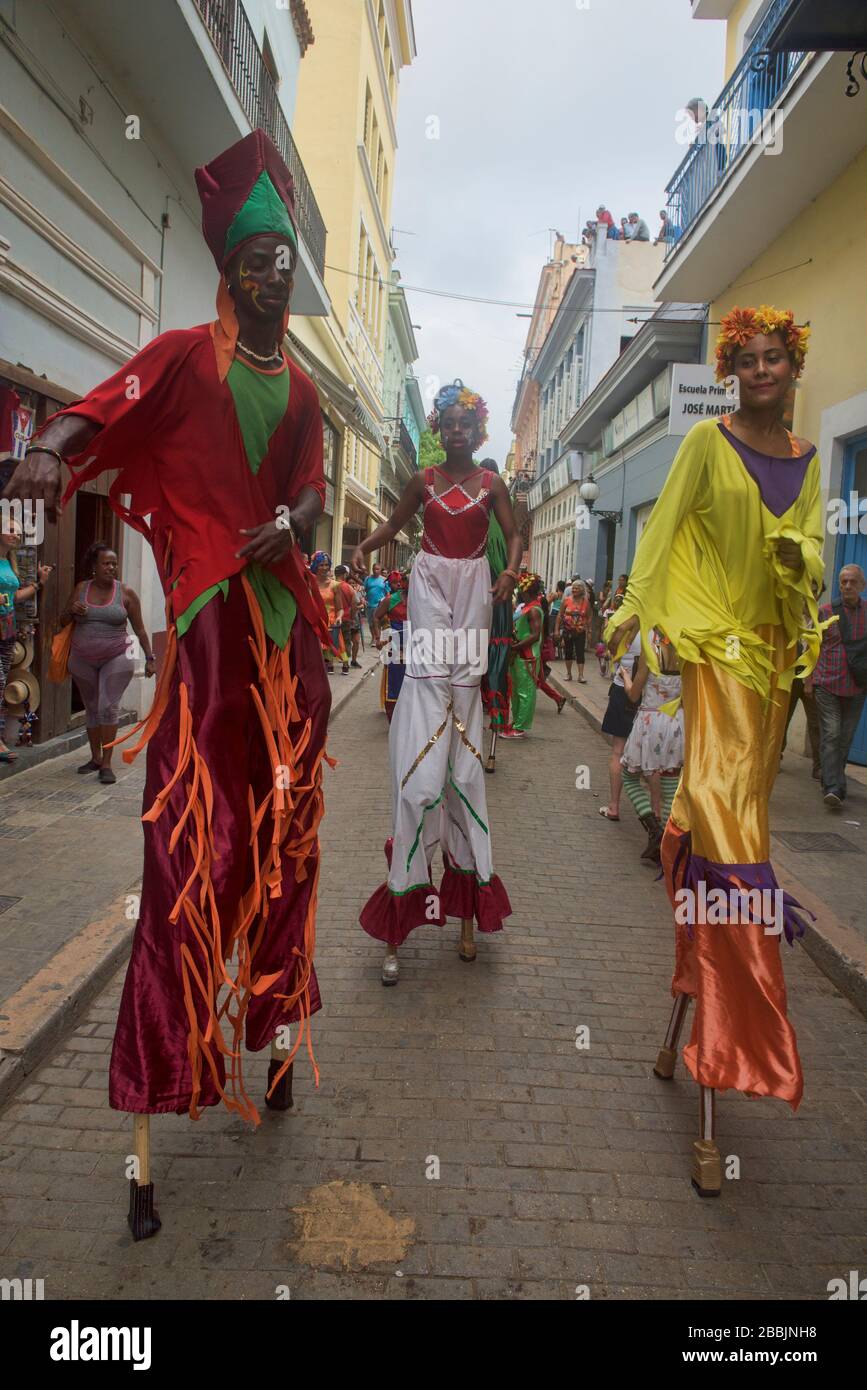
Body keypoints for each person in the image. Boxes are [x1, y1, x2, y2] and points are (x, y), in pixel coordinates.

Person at [2, 130, 333, 1179]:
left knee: (287, 851)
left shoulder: (310, 390)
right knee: (194, 857)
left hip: (292, 650)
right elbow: (105, 405)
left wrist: (294, 516)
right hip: (207, 652)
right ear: (230, 274)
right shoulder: (190, 355)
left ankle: (275, 1025)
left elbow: (317, 491)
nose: (273, 277)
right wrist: (49, 451)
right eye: (255, 262)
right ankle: (157, 1095)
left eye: (284, 261)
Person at [606, 304, 824, 1195]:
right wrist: (629, 623)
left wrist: (796, 554)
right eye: (748, 357)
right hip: (717, 655)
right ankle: (737, 1038)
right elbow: (658, 543)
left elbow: (810, 552)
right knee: (735, 851)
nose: (762, 369)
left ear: (792, 367)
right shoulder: (704, 443)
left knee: (731, 831)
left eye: (776, 357)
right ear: (728, 368)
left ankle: (688, 1018)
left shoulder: (811, 464)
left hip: (774, 676)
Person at [354, 380, 520, 984]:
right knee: (425, 698)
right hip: (428, 585)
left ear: (478, 433)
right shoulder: (422, 482)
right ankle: (407, 904)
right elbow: (392, 527)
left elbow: (516, 531)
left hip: (475, 584)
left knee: (465, 732)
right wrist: (361, 552)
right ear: (439, 430)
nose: (455, 432)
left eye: (464, 425)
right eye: (446, 424)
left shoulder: (493, 485)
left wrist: (509, 575)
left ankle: (468, 907)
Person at [60, 540, 154, 784]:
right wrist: (72, 610)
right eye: (106, 563)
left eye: (114, 563)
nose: (111, 567)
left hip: (118, 655)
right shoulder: (81, 588)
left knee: (107, 706)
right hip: (82, 658)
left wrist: (150, 658)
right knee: (92, 707)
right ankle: (95, 757)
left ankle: (107, 763)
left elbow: (140, 629)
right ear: (95, 566)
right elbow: (62, 620)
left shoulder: (126, 592)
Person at [619, 632, 684, 863]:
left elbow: (633, 694)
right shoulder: (687, 651)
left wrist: (626, 676)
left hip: (650, 722)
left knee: (628, 776)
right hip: (675, 722)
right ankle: (665, 843)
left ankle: (654, 829)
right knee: (669, 786)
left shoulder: (650, 653)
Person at [812, 563, 867, 808]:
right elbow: (813, 648)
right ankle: (834, 787)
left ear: (862, 585)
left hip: (856, 687)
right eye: (843, 581)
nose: (847, 586)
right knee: (832, 734)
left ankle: (832, 780)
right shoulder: (825, 612)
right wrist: (808, 679)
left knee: (844, 739)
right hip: (827, 684)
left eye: (853, 581)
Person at [0, 516, 52, 762]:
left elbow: (17, 595)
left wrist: (39, 583)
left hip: (7, 629)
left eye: (19, 531)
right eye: (11, 529)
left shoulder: (9, 562)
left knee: (0, 683)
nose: (16, 534)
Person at [598, 623, 642, 821]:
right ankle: (657, 813)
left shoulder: (621, 625)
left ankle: (614, 806)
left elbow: (610, 650)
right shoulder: (660, 625)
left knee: (618, 750)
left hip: (622, 688)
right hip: (650, 696)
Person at [505, 573, 544, 738]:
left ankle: (521, 726)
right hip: (518, 654)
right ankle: (516, 721)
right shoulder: (526, 608)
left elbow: (535, 635)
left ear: (527, 591)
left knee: (525, 692)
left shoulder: (534, 610)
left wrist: (516, 646)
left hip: (526, 655)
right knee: (515, 691)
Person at [372, 568, 408, 723]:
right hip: (395, 648)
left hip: (418, 648)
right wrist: (378, 638)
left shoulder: (423, 600)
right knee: (395, 683)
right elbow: (376, 617)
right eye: (409, 581)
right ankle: (394, 720)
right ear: (403, 583)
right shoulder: (390, 600)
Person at [311, 551, 348, 674]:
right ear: (315, 565)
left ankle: (339, 664)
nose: (324, 568)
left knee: (335, 647)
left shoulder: (335, 585)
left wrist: (339, 617)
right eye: (321, 565)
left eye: (327, 564)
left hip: (331, 622)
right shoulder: (309, 582)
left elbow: (340, 608)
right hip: (315, 621)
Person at [556, 580, 590, 682]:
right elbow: (560, 615)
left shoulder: (586, 602)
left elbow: (589, 617)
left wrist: (588, 630)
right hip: (568, 630)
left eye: (577, 588)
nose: (574, 590)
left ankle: (581, 675)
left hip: (580, 631)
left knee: (580, 653)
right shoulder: (566, 600)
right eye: (573, 588)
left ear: (582, 590)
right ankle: (568, 673)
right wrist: (557, 629)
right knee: (568, 652)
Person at [334, 564, 360, 668]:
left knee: (332, 640)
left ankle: (330, 663)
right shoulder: (349, 588)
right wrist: (352, 618)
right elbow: (354, 605)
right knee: (345, 641)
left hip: (332, 617)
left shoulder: (330, 585)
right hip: (345, 618)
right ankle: (345, 664)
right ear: (345, 575)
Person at [363, 563, 388, 639]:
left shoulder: (384, 580)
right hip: (369, 604)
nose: (375, 571)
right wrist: (363, 599)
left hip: (380, 605)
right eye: (374, 569)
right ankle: (373, 637)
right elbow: (364, 590)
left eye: (377, 569)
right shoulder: (368, 579)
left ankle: (377, 638)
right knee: (371, 623)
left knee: (377, 622)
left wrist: (386, 602)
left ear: (380, 570)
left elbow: (388, 593)